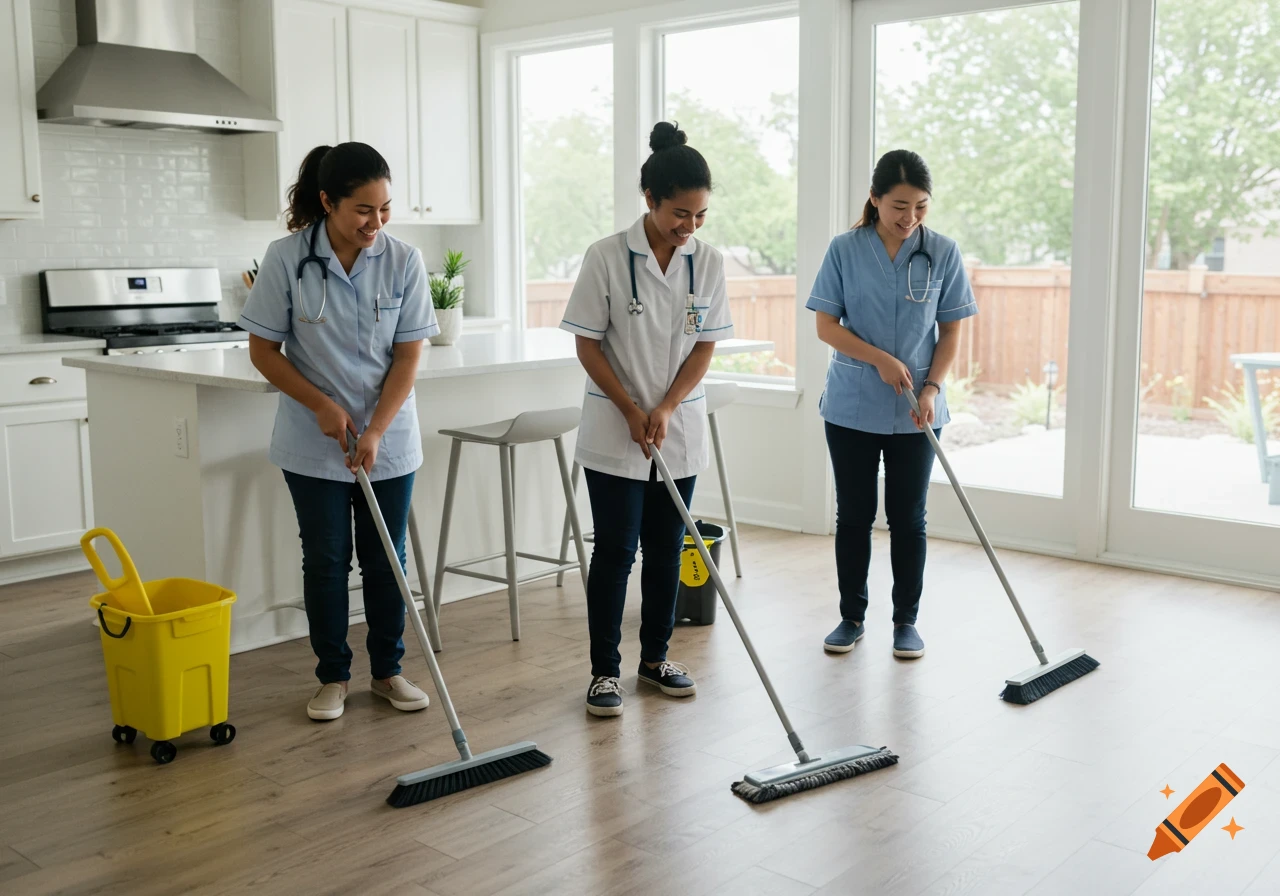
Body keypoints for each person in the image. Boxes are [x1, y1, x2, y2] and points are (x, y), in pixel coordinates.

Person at [238, 142, 439, 721]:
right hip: (311, 438)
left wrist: (376, 428)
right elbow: (263, 350)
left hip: (389, 438)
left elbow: (407, 358)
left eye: (384, 209)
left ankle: (388, 672)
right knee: (326, 560)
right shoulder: (286, 258)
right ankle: (332, 677)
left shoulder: (403, 260)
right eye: (361, 210)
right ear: (327, 202)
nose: (375, 223)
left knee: (385, 560)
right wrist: (321, 405)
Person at [559, 122, 734, 718]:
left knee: (667, 547)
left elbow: (704, 345)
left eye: (700, 216)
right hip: (615, 426)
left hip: (677, 425)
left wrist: (663, 407)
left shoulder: (706, 262)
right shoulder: (607, 257)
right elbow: (587, 344)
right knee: (615, 551)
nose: (689, 228)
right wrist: (633, 410)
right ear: (650, 200)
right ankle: (604, 672)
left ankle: (656, 659)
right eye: (680, 214)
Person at [806, 149, 977, 659]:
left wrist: (931, 388)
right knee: (854, 517)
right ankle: (851, 617)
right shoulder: (844, 250)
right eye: (900, 205)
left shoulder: (942, 252)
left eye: (921, 207)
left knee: (909, 519)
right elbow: (826, 326)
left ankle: (906, 622)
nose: (910, 218)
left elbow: (950, 333)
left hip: (917, 410)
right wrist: (879, 358)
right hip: (852, 405)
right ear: (876, 199)